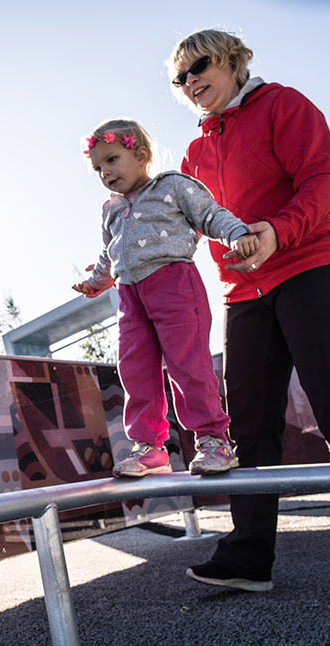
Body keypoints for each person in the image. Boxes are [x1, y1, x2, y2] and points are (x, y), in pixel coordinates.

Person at [167, 29, 330, 601]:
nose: (189, 83)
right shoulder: (193, 153)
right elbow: (175, 226)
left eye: (198, 66)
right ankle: (249, 558)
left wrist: (277, 232)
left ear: (232, 60)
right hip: (242, 294)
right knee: (249, 429)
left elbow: (324, 180)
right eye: (178, 79)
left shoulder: (284, 104)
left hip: (310, 267)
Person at [72, 119, 259, 478]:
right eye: (98, 168)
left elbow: (210, 215)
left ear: (141, 155)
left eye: (112, 160)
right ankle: (150, 449)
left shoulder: (171, 185)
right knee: (135, 370)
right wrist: (95, 283)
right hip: (130, 297)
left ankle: (212, 440)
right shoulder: (110, 208)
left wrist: (235, 233)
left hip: (173, 284)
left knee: (187, 366)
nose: (105, 173)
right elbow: (108, 255)